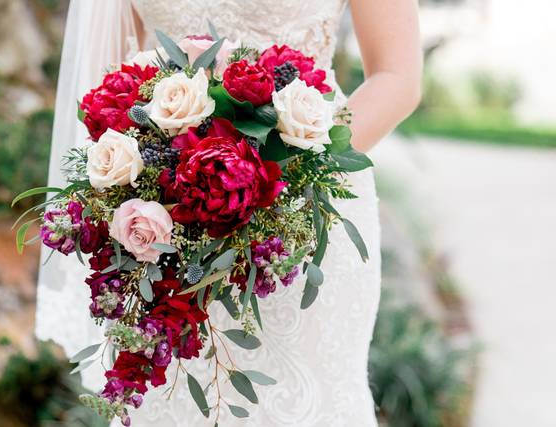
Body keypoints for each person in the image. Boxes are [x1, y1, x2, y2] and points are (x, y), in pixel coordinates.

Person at [36, 0, 422, 425]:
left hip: (303, 217)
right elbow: (109, 77)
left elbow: (397, 77)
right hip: (165, 221)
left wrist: (285, 174)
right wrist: (146, 178)